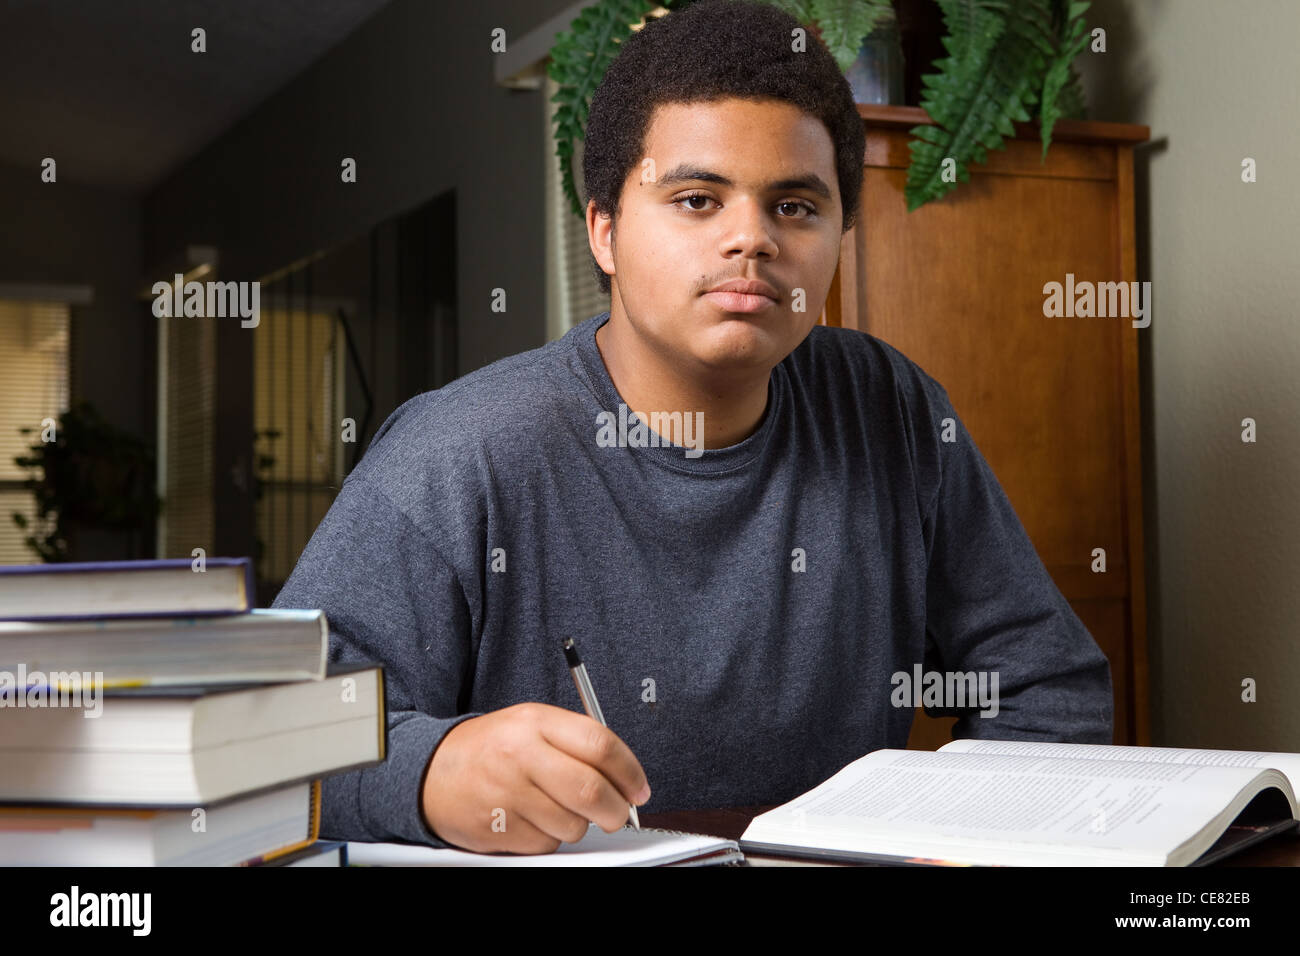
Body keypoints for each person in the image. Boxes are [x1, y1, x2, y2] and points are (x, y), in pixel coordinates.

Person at [272, 0, 1112, 854]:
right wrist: (429, 769)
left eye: (795, 207)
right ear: (604, 230)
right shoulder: (458, 452)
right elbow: (273, 740)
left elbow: (1050, 689)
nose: (751, 241)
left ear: (838, 238)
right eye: (698, 199)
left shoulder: (891, 407)